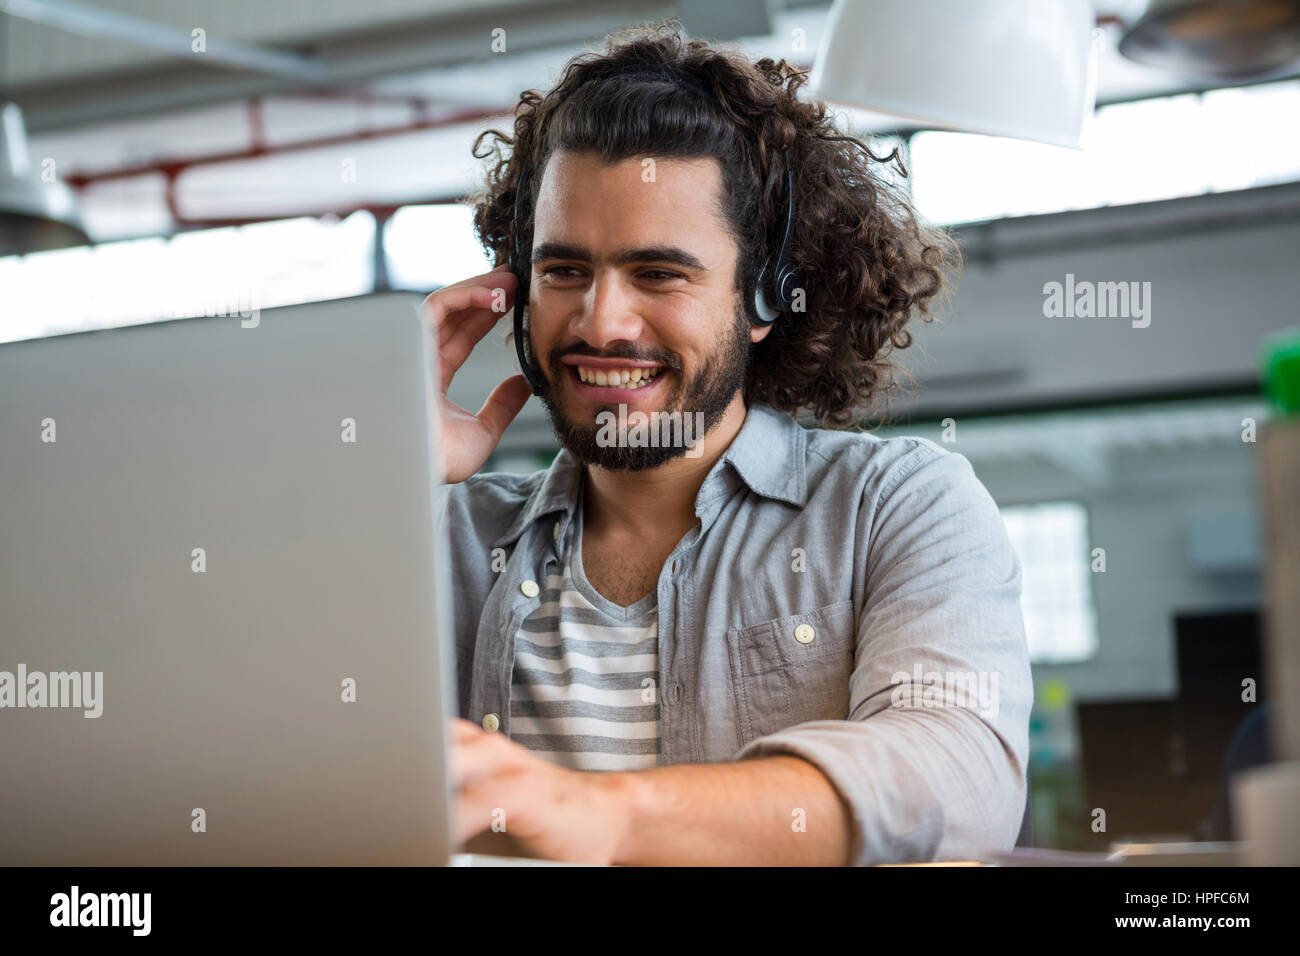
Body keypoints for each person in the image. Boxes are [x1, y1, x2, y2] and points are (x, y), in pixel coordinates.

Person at [429, 21, 1031, 865]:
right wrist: (380, 476)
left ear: (766, 297)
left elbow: (956, 779)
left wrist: (603, 816)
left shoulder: (896, 507)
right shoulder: (447, 537)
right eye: (564, 271)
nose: (600, 320)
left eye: (658, 273)